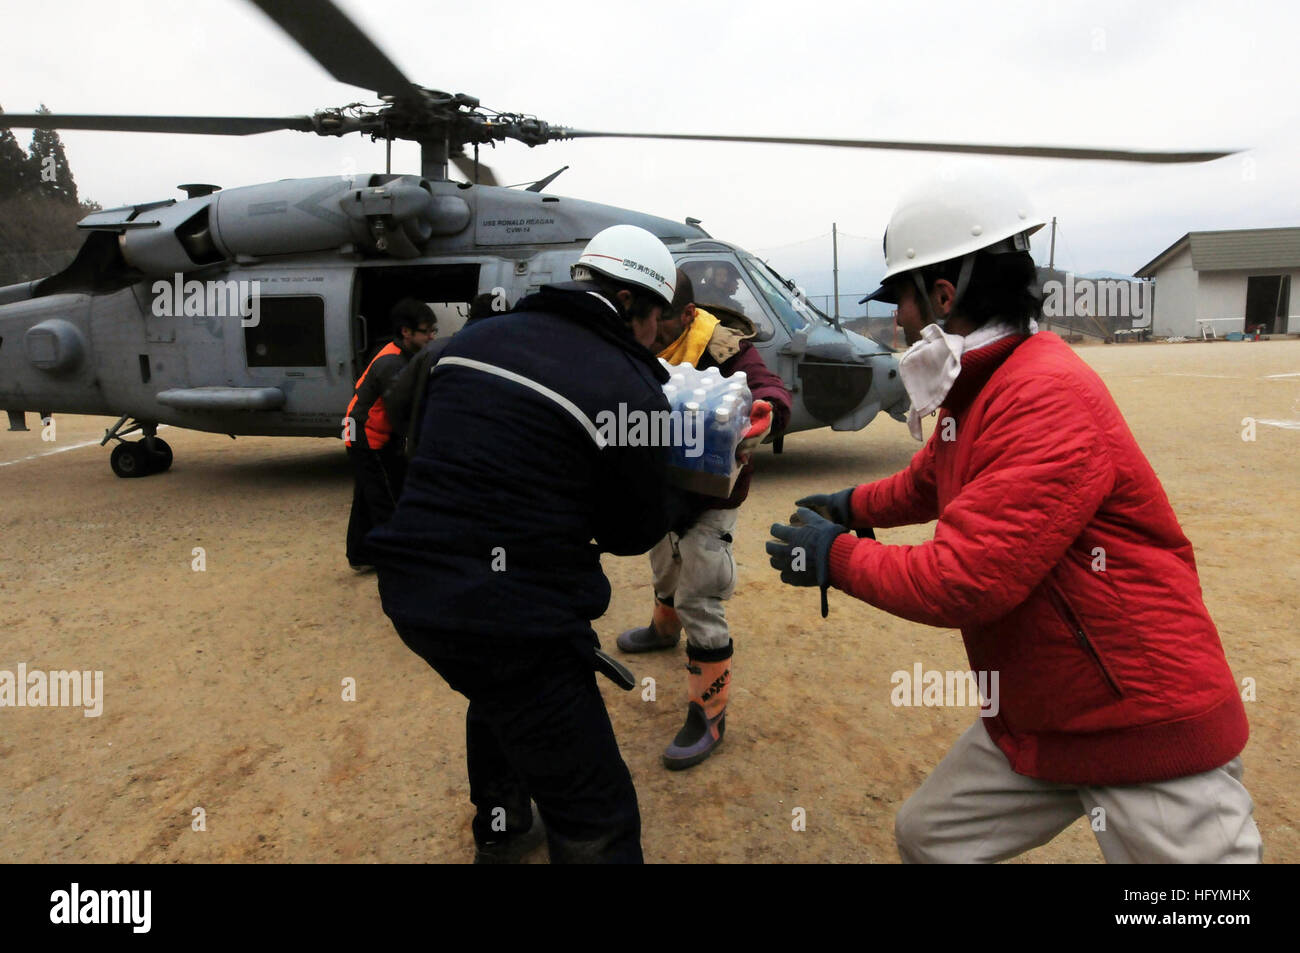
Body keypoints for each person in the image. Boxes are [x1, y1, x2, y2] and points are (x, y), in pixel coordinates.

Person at [767, 169, 1261, 864]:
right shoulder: (984, 384)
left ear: (944, 296)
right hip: (1048, 714)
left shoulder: (1043, 393)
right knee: (931, 836)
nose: (900, 321)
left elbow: (965, 579)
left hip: (1142, 723)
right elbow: (932, 477)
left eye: (901, 299)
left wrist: (836, 557)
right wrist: (850, 505)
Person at [365, 225, 686, 863]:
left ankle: (504, 825)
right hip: (513, 615)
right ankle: (521, 831)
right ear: (630, 305)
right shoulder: (629, 383)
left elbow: (406, 421)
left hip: (413, 589)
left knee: (499, 698)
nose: (657, 340)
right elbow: (633, 532)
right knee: (598, 816)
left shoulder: (474, 338)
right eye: (657, 324)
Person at [617, 270, 790, 770]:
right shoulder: (638, 339)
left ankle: (709, 712)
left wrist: (766, 410)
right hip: (662, 484)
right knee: (662, 562)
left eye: (662, 320)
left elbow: (769, 387)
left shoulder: (721, 346)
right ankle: (663, 627)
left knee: (701, 587)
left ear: (688, 315)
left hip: (713, 493)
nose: (651, 331)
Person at [343, 298, 434, 569]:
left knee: (366, 497)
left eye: (433, 330)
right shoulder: (392, 363)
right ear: (407, 332)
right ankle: (397, 564)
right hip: (368, 437)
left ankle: (360, 555)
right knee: (387, 498)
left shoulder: (400, 354)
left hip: (361, 432)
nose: (431, 336)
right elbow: (401, 414)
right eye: (426, 331)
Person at [382, 291, 507, 460]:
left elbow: (396, 398)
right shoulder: (501, 357)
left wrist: (412, 434)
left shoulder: (432, 351)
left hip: (429, 454)